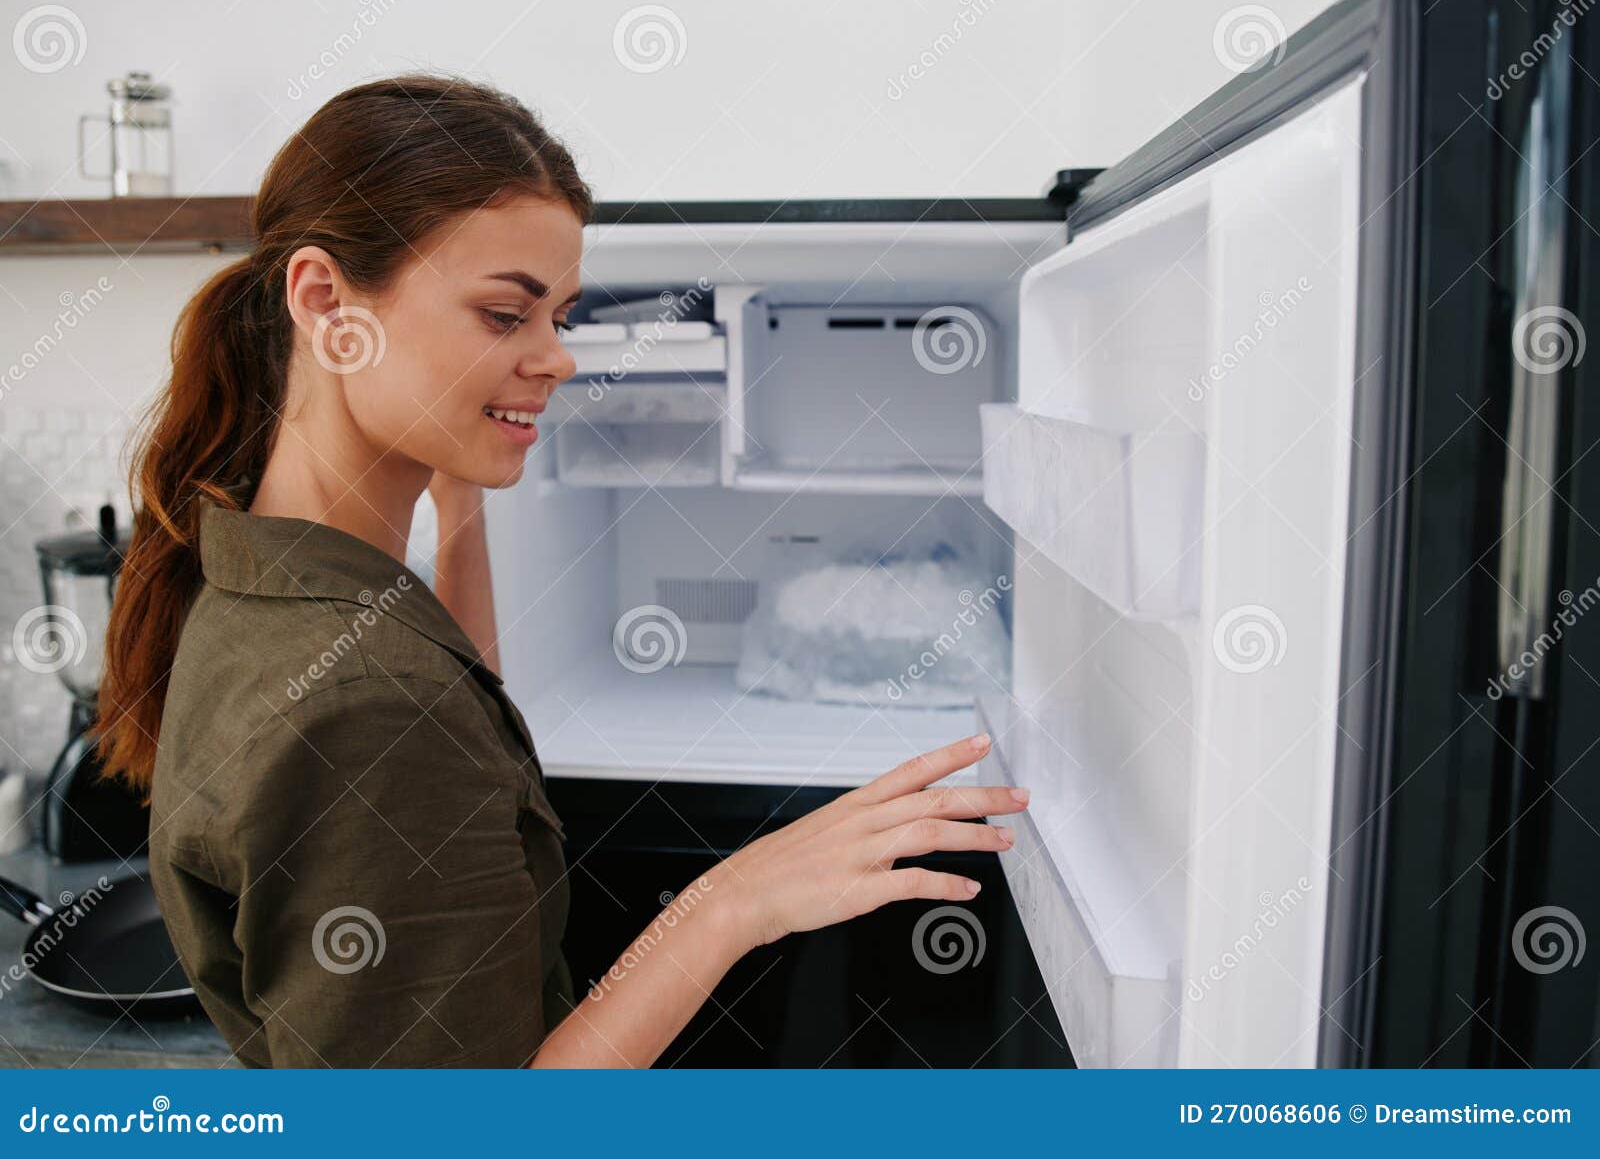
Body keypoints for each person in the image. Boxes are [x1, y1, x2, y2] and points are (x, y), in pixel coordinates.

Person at [97, 73, 1028, 1068]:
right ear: (327, 303)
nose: (558, 358)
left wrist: (458, 506)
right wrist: (732, 901)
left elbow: (459, 734)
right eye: (506, 315)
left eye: (561, 318)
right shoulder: (363, 709)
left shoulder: (254, 568)